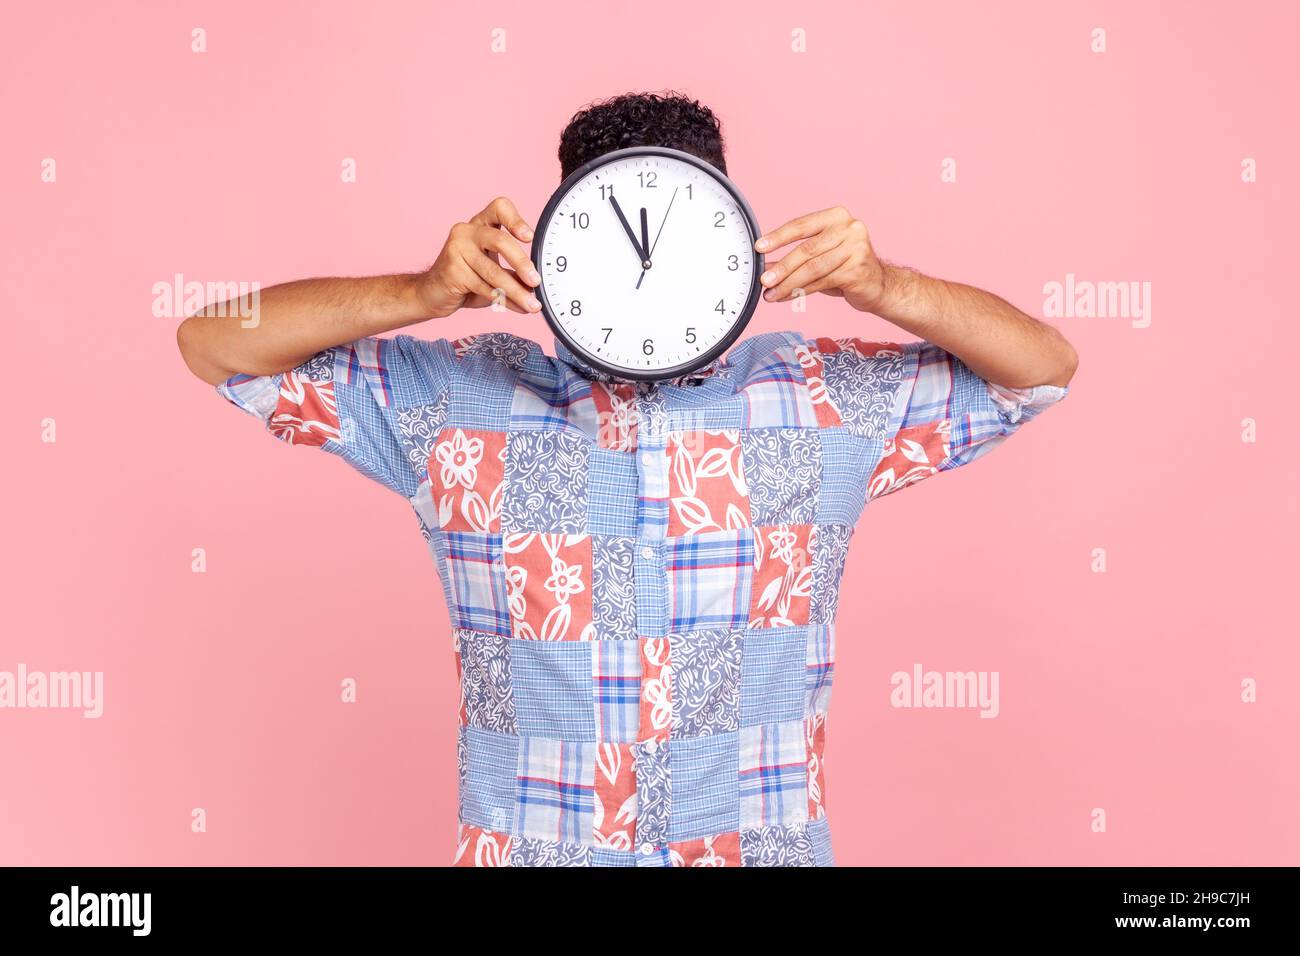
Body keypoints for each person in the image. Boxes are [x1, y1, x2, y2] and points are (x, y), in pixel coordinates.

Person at [177, 91, 1077, 868]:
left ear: (732, 242)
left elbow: (1041, 369)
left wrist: (886, 284)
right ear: (560, 242)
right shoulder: (454, 403)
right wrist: (421, 290)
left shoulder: (818, 397)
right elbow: (217, 345)